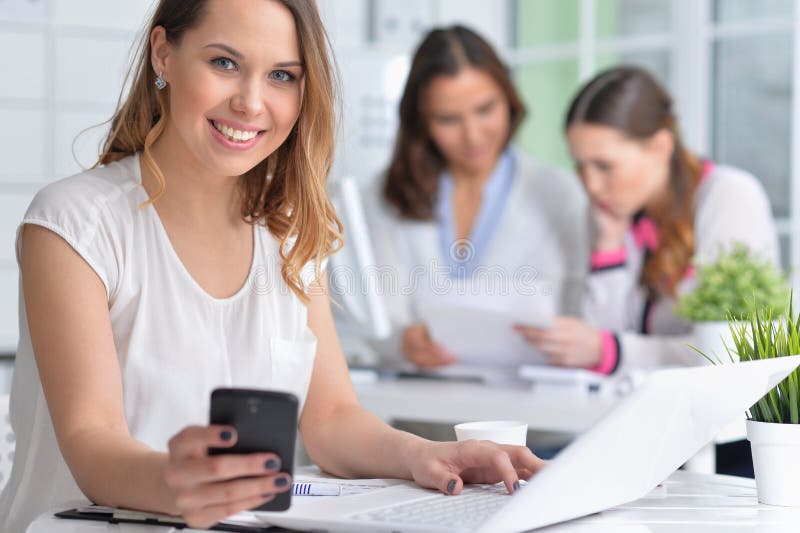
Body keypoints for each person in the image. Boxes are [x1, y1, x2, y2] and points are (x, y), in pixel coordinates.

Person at [0, 2, 544, 531]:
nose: (251, 102)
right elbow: (93, 441)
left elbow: (331, 421)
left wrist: (429, 455)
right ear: (163, 55)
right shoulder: (76, 223)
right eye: (224, 63)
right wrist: (178, 480)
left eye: (282, 75)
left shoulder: (290, 233)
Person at [516, 66, 779, 374]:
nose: (591, 185)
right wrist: (608, 245)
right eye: (580, 166)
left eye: (604, 166)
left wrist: (609, 350)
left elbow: (729, 351)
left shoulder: (728, 196)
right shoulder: (609, 213)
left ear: (660, 147)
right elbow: (597, 350)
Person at [366, 25, 590, 368]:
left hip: (533, 411)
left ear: (509, 100)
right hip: (417, 409)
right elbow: (374, 318)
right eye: (448, 119)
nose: (472, 136)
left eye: (485, 109)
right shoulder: (385, 196)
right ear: (421, 122)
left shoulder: (560, 193)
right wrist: (402, 343)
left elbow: (580, 312)